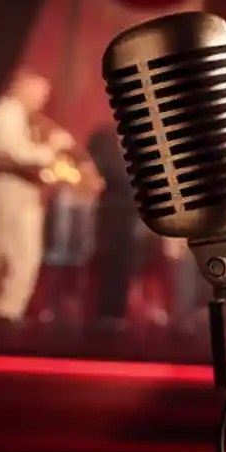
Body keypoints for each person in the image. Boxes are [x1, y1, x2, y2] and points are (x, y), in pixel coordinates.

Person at [0, 70, 72, 323]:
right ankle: (8, 313)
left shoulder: (14, 115)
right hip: (12, 188)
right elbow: (20, 155)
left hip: (11, 188)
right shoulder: (8, 114)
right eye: (39, 94)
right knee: (23, 254)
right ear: (23, 89)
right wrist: (53, 147)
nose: (42, 101)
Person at [87, 126, 135, 329]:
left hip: (127, 216)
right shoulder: (104, 139)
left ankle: (115, 313)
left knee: (123, 265)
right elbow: (116, 174)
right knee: (111, 264)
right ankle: (107, 315)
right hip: (114, 214)